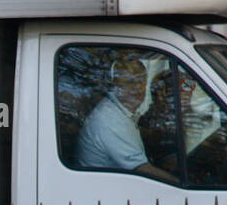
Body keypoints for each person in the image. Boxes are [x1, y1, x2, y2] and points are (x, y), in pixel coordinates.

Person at [74, 52, 179, 185]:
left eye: (141, 82)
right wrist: (182, 183)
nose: (138, 89)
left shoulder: (118, 110)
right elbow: (143, 170)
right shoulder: (111, 120)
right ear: (117, 87)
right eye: (130, 83)